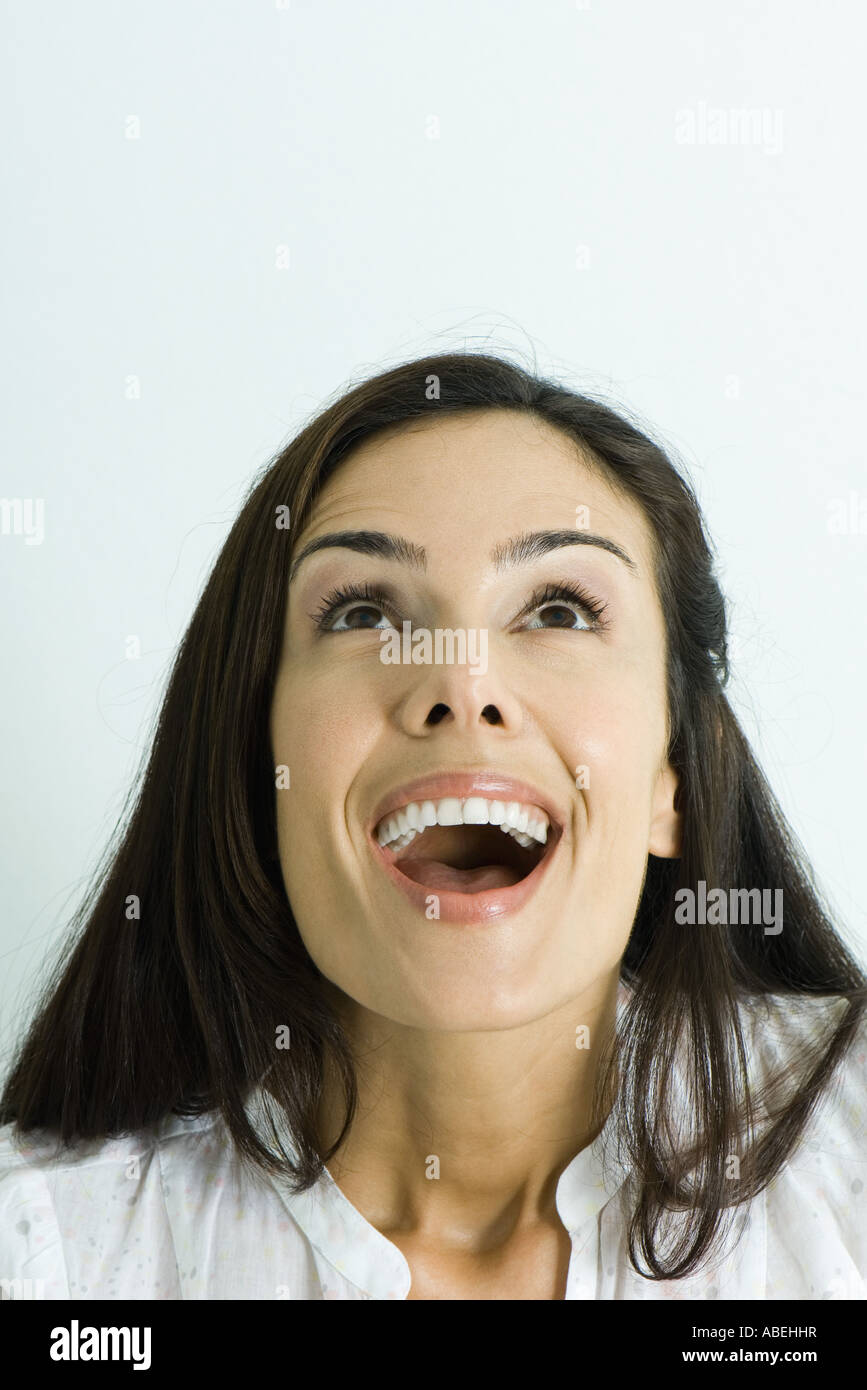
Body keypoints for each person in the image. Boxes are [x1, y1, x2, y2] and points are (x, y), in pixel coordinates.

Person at [1, 353, 864, 1300]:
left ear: (675, 783)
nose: (460, 683)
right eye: (364, 611)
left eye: (558, 610)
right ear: (257, 768)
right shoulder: (45, 1255)